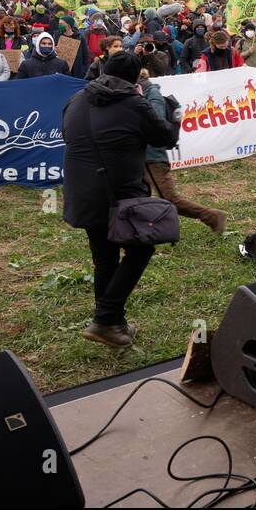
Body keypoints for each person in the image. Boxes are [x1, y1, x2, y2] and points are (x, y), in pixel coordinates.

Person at [61, 51, 180, 349]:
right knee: (140, 251)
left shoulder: (77, 99)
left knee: (105, 259)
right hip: (119, 195)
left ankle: (114, 324)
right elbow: (165, 137)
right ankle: (104, 319)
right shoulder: (133, 103)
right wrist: (173, 114)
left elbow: (66, 134)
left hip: (82, 193)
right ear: (134, 78)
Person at [139, 69, 227, 235]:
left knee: (170, 199)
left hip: (151, 157)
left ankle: (211, 216)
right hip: (144, 155)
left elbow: (154, 123)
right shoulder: (147, 93)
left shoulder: (152, 95)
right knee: (138, 196)